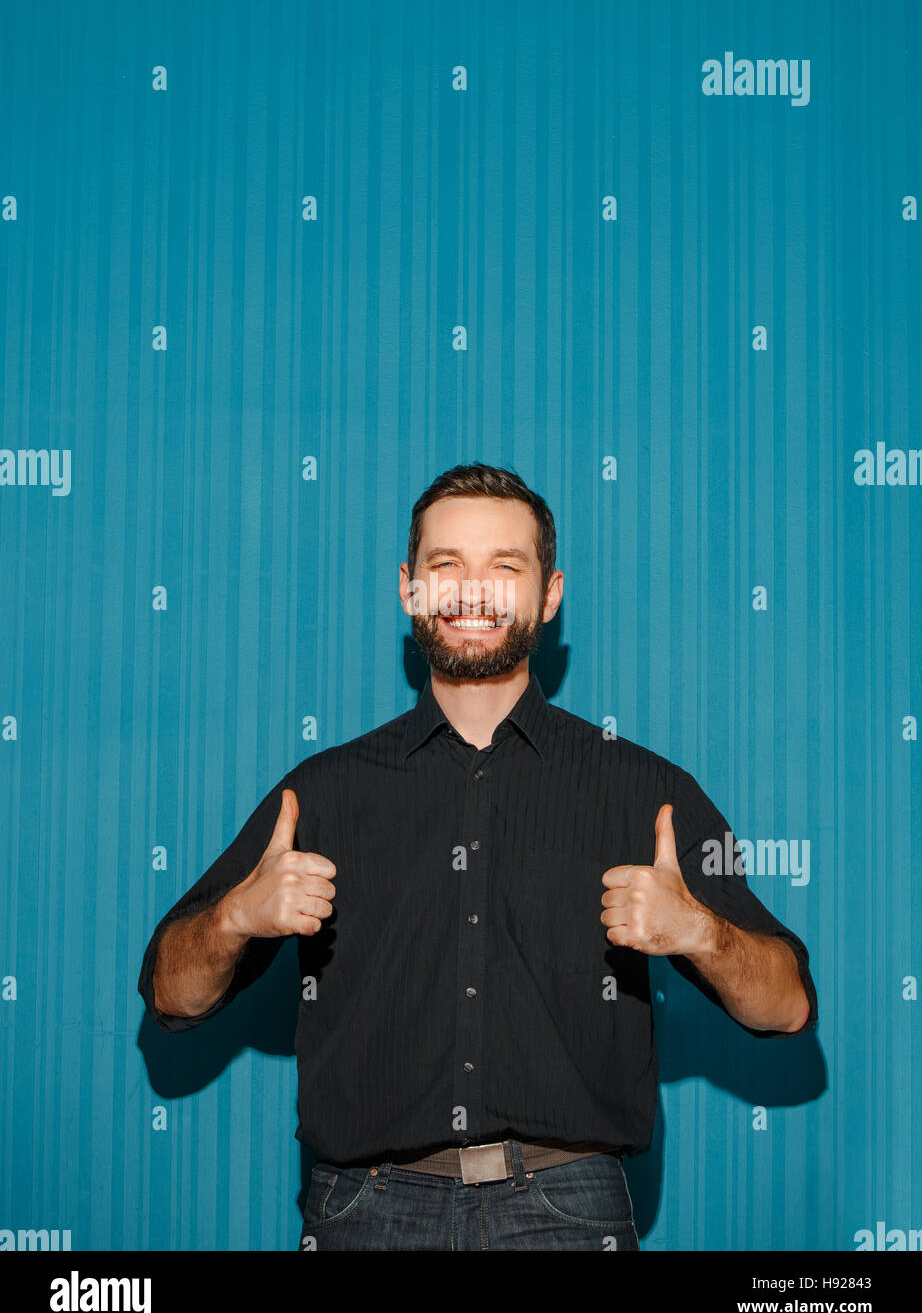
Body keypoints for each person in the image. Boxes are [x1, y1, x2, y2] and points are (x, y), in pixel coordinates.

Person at [138, 462, 818, 1252]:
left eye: (505, 567)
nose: (474, 591)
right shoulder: (319, 794)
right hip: (364, 1214)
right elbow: (171, 995)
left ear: (550, 594)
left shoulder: (645, 790)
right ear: (408, 588)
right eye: (446, 566)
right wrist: (234, 918)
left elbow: (788, 1006)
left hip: (569, 1212)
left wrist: (700, 931)